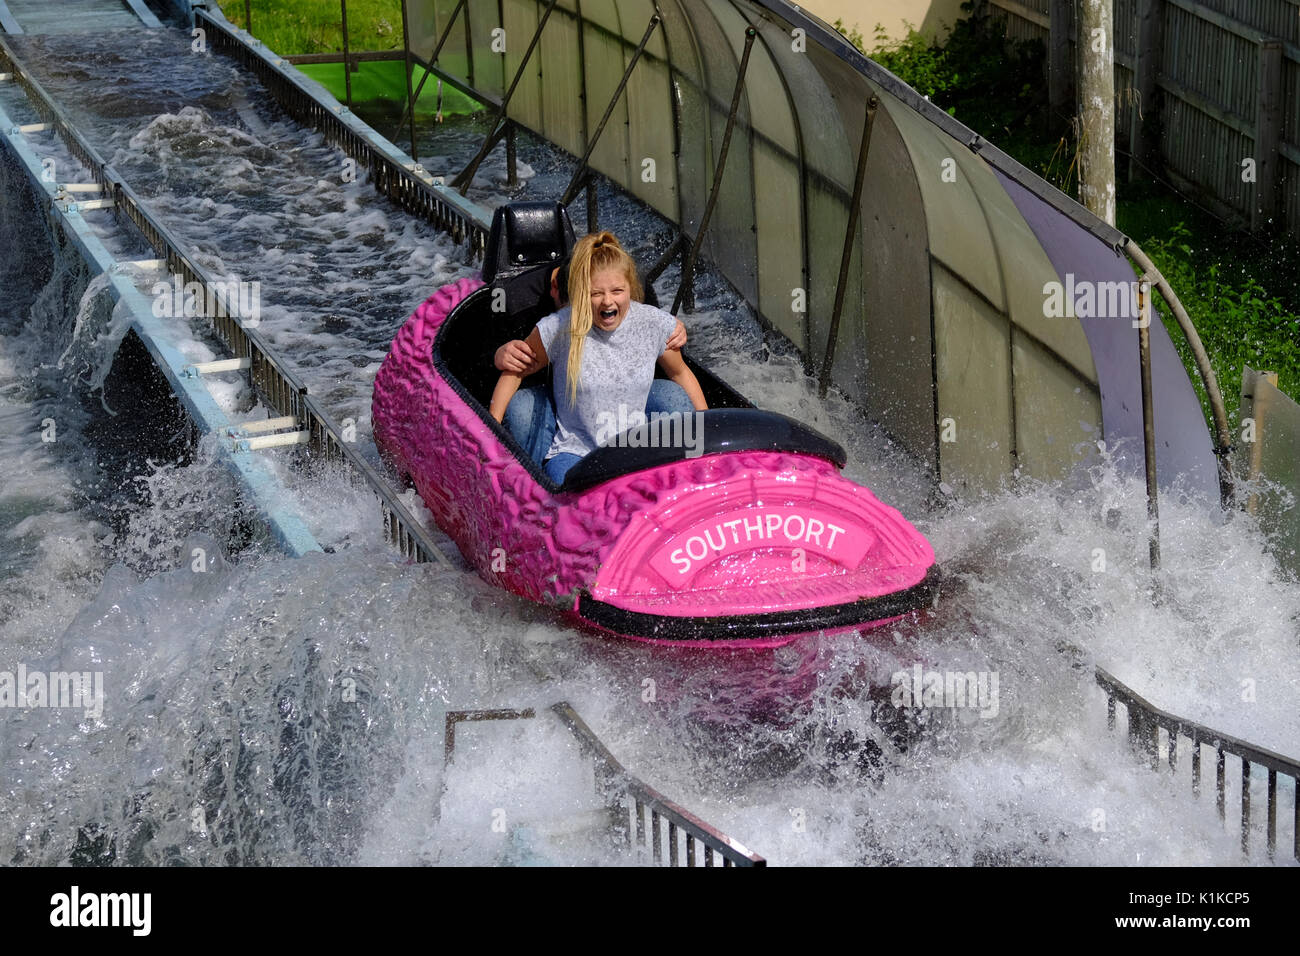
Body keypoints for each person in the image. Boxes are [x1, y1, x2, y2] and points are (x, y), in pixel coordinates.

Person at [489, 231, 707, 485]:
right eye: (595, 294)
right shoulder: (560, 327)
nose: (607, 301)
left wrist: (710, 427)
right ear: (581, 294)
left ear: (630, 288)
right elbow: (516, 371)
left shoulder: (653, 324)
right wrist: (490, 434)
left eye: (617, 291)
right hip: (576, 452)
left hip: (633, 448)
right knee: (570, 495)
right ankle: (526, 486)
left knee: (672, 402)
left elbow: (679, 372)